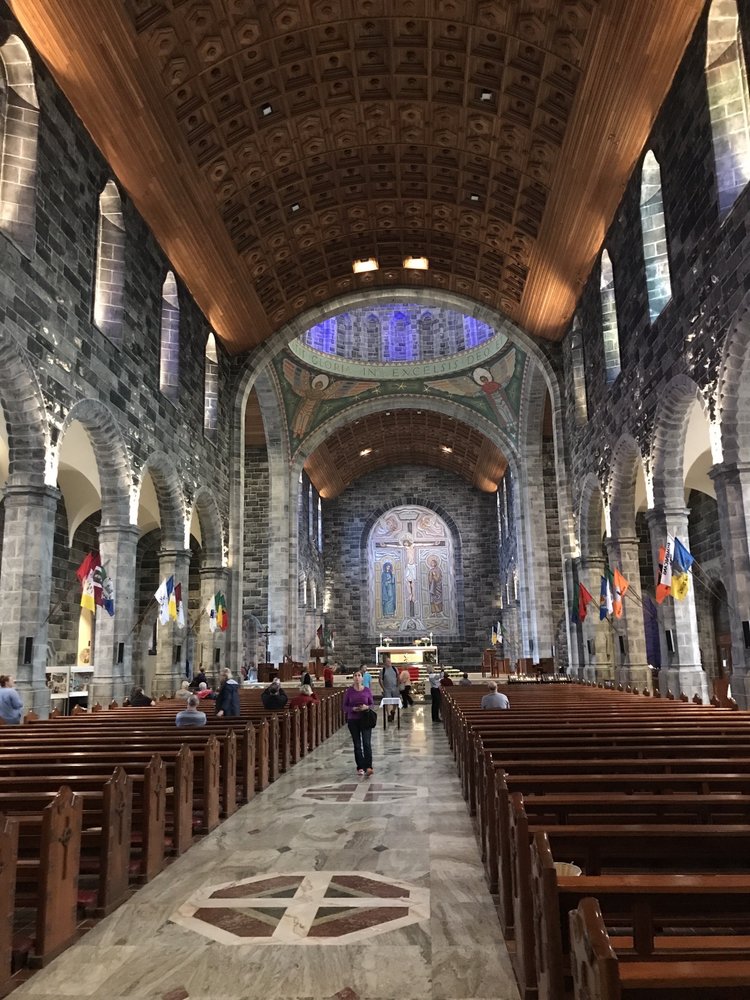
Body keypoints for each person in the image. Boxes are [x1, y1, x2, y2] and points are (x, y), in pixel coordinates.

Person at [343, 670, 375, 776]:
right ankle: (360, 766)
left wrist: (366, 707)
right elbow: (344, 706)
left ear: (362, 678)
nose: (357, 677)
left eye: (359, 675)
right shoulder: (349, 691)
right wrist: (353, 709)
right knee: (357, 744)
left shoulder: (367, 690)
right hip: (353, 720)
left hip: (365, 719)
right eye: (355, 675)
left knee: (366, 743)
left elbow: (372, 704)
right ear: (353, 678)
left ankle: (369, 766)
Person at [379, 654, 400, 721]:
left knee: (396, 701)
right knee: (387, 702)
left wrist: (398, 685)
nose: (389, 663)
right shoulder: (383, 670)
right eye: (388, 661)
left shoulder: (394, 668)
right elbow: (380, 679)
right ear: (385, 662)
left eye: (390, 661)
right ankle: (388, 715)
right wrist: (383, 687)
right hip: (387, 688)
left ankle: (393, 711)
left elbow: (398, 677)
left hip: (394, 687)